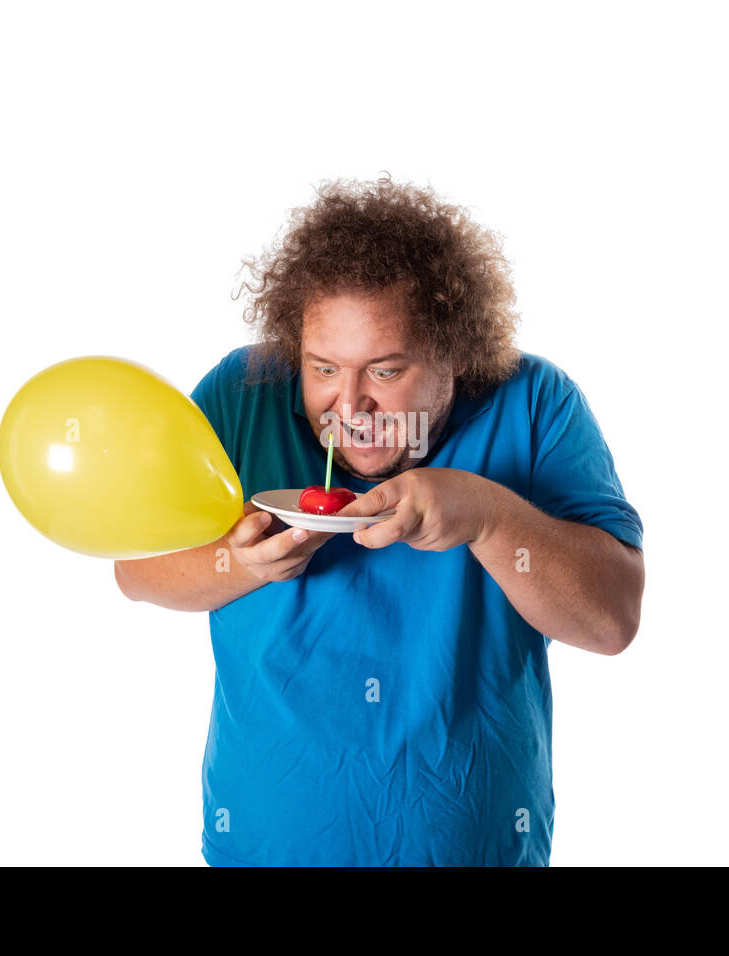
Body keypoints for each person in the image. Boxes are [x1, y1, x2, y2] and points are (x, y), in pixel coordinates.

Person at [114, 177, 645, 866]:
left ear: (455, 352)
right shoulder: (242, 396)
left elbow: (612, 621)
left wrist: (488, 518)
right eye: (323, 368)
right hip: (263, 847)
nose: (350, 404)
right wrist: (236, 564)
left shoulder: (536, 402)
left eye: (386, 370)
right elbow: (134, 571)